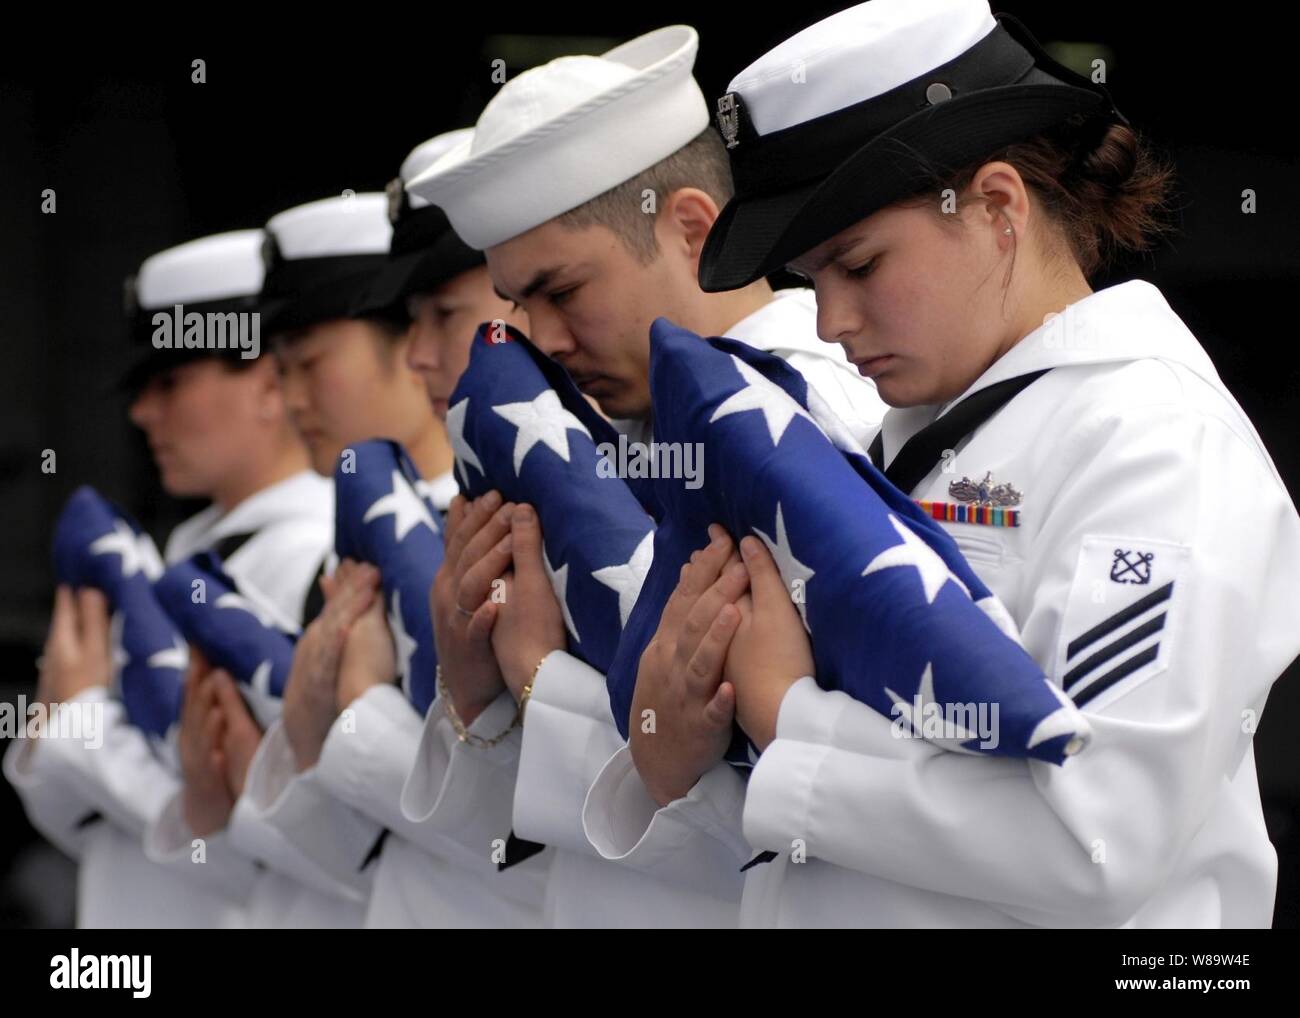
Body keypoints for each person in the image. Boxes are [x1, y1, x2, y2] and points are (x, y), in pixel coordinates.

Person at [594, 0, 1300, 927]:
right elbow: (810, 850)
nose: (828, 321)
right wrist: (677, 756)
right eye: (812, 281)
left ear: (999, 207)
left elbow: (1099, 837)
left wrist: (787, 718)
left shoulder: (1157, 440)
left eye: (862, 264)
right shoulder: (913, 430)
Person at [405, 23, 889, 926]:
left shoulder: (820, 423)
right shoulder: (579, 451)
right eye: (517, 304)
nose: (540, 340)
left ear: (693, 229)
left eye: (563, 291)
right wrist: (475, 693)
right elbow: (500, 847)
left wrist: (548, 685)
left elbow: (811, 824)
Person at [5, 230, 334, 927]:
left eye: (170, 382)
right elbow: (86, 825)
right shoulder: (172, 557)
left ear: (269, 382)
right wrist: (66, 741)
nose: (143, 413)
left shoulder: (318, 562)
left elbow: (261, 842)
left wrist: (79, 725)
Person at [236, 173, 539, 928]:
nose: (419, 357)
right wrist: (308, 743)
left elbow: (549, 844)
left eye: (310, 364)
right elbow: (356, 859)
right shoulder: (365, 537)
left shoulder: (537, 524)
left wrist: (355, 722)